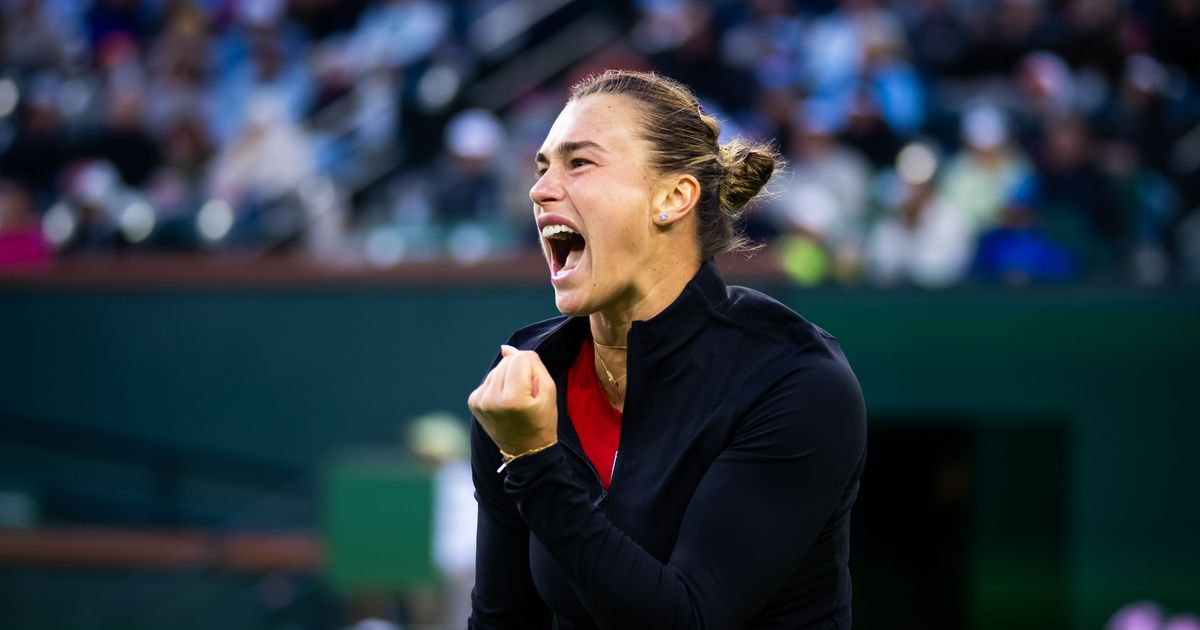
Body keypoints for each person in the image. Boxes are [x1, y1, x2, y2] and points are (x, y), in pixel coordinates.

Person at [466, 70, 867, 630]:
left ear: (673, 198)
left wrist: (534, 461)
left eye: (579, 163)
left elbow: (688, 618)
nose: (540, 190)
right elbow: (503, 618)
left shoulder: (795, 379)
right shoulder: (528, 379)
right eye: (542, 167)